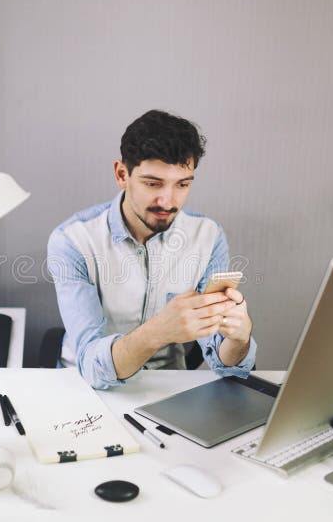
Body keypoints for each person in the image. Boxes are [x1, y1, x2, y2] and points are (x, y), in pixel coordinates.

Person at [47, 110, 256, 389]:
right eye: (153, 184)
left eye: (182, 185)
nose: (168, 201)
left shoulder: (208, 236)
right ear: (122, 174)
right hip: (84, 386)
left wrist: (238, 339)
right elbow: (91, 365)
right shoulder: (72, 240)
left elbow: (225, 363)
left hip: (168, 387)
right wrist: (157, 332)